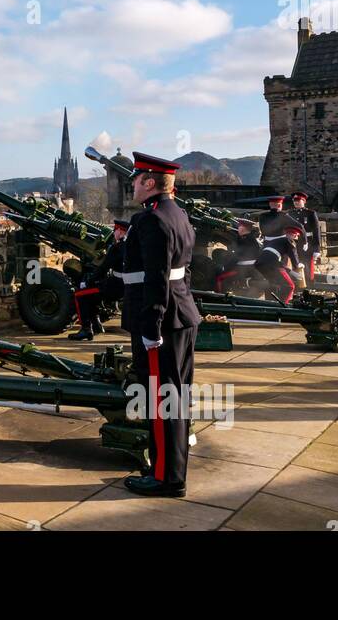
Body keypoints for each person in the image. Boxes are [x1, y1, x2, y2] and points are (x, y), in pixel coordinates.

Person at [120, 152, 201, 498]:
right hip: (181, 314)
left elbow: (156, 277)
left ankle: (166, 478)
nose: (132, 185)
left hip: (161, 321)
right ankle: (168, 468)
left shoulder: (150, 220)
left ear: (150, 182)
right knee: (176, 397)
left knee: (162, 400)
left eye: (136, 180)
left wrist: (151, 326)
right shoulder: (177, 213)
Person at [69, 218, 129, 342]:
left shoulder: (116, 248)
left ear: (121, 231)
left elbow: (103, 268)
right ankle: (96, 325)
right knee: (93, 294)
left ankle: (85, 329)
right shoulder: (130, 246)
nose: (114, 233)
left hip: (116, 286)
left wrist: (88, 281)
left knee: (80, 295)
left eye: (115, 230)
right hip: (126, 285)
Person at [254, 216, 301, 303]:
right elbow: (293, 256)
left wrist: (288, 270)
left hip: (259, 264)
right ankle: (284, 305)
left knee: (273, 284)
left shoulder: (276, 241)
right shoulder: (289, 242)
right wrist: (297, 266)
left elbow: (275, 259)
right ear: (294, 235)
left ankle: (270, 303)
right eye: (296, 236)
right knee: (290, 286)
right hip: (271, 264)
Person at [216, 217, 261, 293]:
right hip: (251, 267)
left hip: (244, 268)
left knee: (220, 278)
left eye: (239, 227)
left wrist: (225, 268)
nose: (238, 229)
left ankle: (219, 297)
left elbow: (236, 257)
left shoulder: (245, 241)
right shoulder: (251, 239)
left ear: (243, 229)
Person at [291, 191, 322, 283]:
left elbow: (316, 231)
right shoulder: (290, 213)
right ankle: (297, 286)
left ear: (304, 201)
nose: (296, 202)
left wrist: (317, 249)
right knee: (295, 264)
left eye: (298, 200)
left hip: (307, 244)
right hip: (294, 242)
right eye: (294, 200)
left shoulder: (310, 213)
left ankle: (308, 286)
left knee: (307, 266)